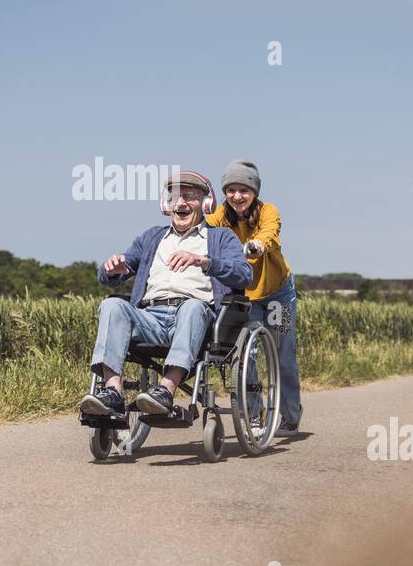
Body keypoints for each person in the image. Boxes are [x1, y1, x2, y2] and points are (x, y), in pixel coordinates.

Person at [80, 171, 252, 417]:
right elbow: (111, 273)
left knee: (193, 306)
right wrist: (110, 269)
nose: (181, 203)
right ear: (166, 204)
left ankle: (166, 390)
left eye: (190, 197)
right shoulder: (152, 237)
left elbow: (244, 274)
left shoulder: (221, 237)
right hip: (151, 316)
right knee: (112, 305)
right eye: (175, 197)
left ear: (206, 203)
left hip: (194, 317)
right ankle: (112, 392)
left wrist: (204, 261)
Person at [206, 159, 302, 435]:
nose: (237, 196)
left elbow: (270, 233)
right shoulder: (219, 216)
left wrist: (258, 244)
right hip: (246, 297)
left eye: (243, 190)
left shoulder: (268, 211)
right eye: (231, 190)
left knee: (284, 355)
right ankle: (254, 415)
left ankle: (290, 415)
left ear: (254, 192)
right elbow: (201, 230)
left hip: (278, 294)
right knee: (246, 356)